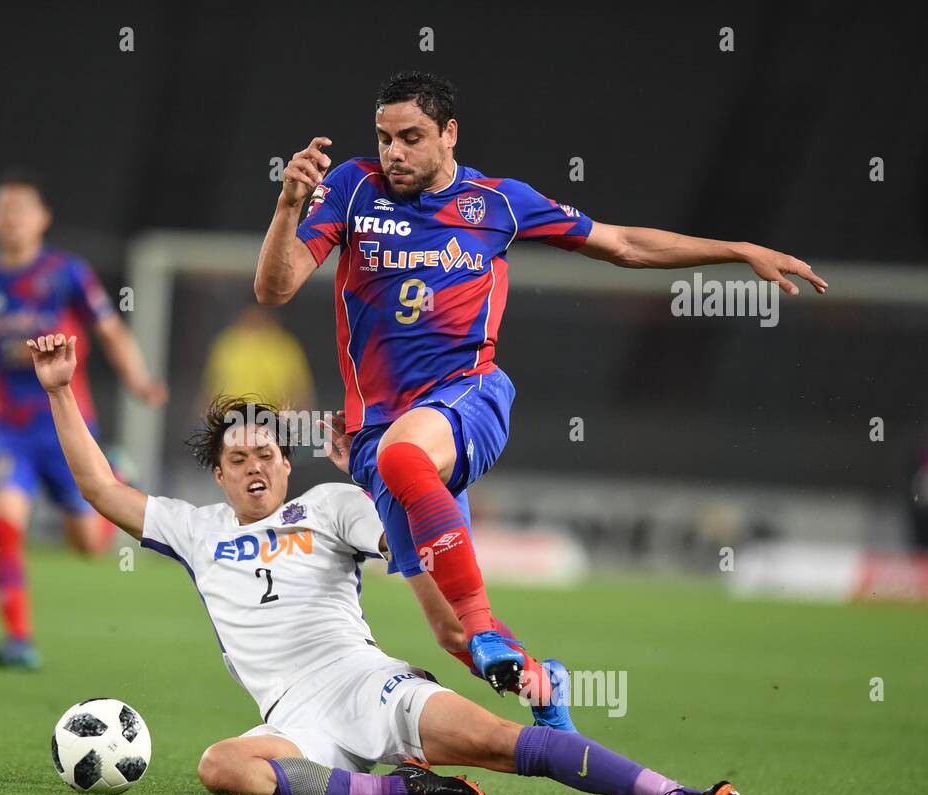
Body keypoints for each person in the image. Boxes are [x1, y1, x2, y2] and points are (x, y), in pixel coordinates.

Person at [254, 70, 828, 715]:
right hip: (377, 430)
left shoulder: (498, 202)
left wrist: (736, 249)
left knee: (405, 462)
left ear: (449, 134)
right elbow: (275, 289)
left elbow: (623, 244)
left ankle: (490, 625)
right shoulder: (352, 188)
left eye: (412, 137)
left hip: (466, 396)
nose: (395, 153)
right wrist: (287, 208)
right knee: (448, 632)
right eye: (385, 137)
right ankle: (542, 687)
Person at [20, 330, 740, 795]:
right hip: (295, 721)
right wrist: (60, 391)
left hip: (370, 682)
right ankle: (397, 790)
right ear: (220, 473)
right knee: (222, 765)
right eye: (239, 458)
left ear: (285, 459)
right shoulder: (194, 528)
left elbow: (413, 534)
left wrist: (372, 472)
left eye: (266, 451)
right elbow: (101, 488)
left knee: (507, 745)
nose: (256, 465)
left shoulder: (327, 506)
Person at [0, 172, 166, 669]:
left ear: (42, 219)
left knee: (87, 545)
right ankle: (18, 637)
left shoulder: (66, 273)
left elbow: (110, 330)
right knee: (1, 521)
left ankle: (116, 474)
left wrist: (139, 380)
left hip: (65, 424)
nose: (11, 219)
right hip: (6, 427)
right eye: (2, 210)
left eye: (21, 210)